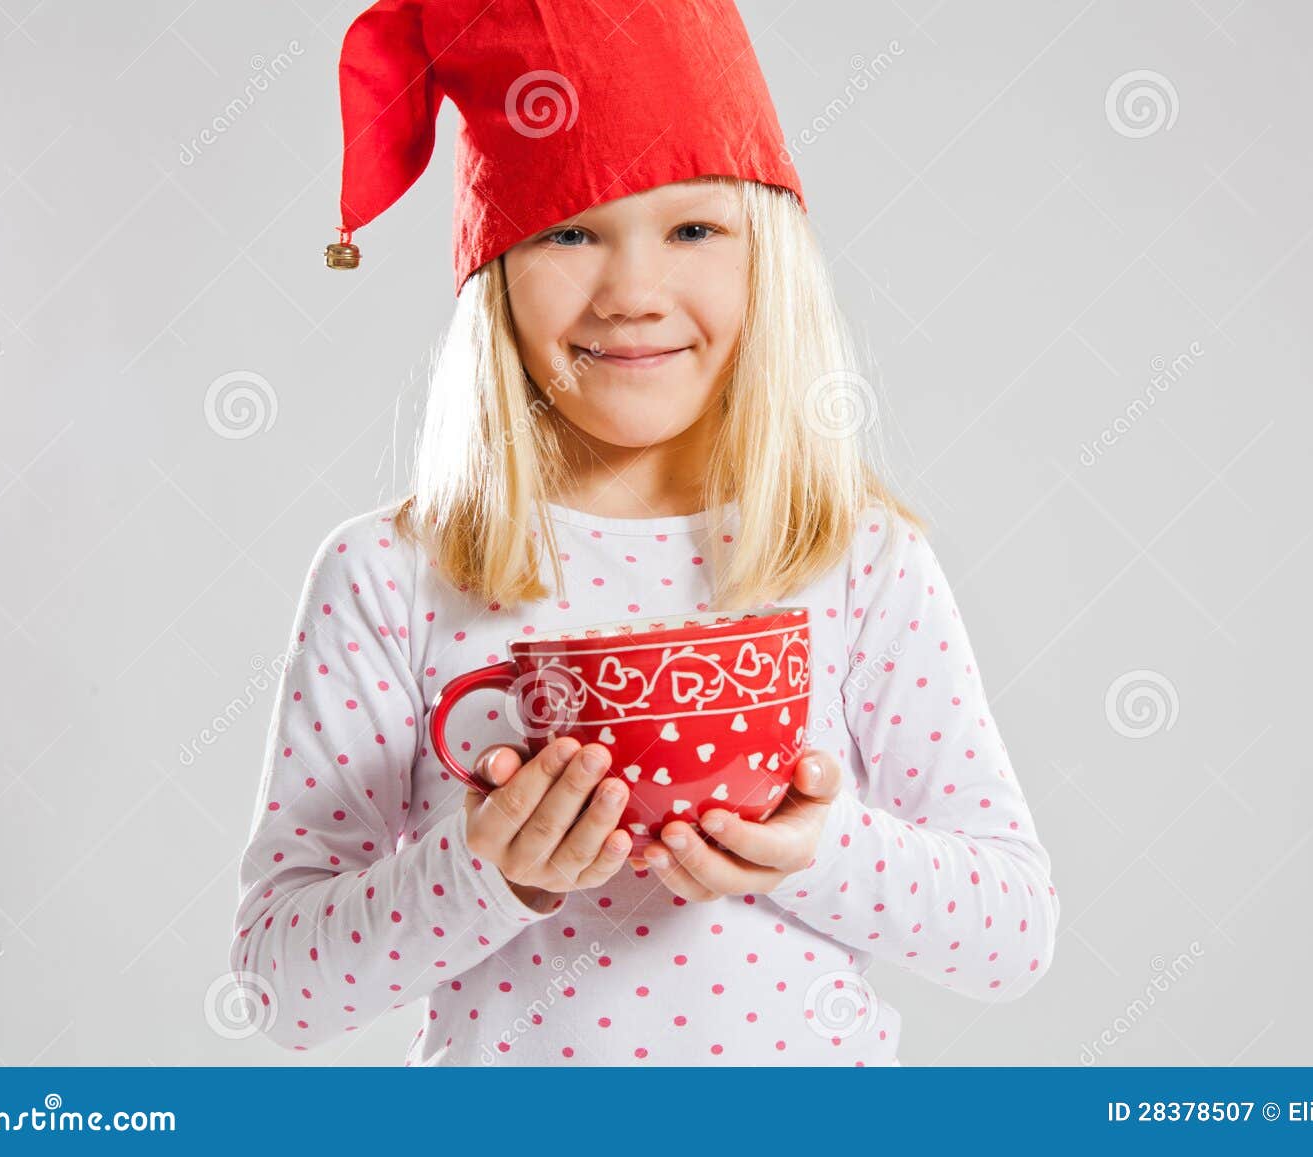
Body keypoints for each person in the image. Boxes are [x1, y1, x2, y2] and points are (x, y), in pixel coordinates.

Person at [229, 0, 1058, 1065]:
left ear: (770, 256)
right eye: (569, 231)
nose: (632, 294)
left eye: (693, 229)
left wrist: (819, 848)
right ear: (494, 274)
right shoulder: (391, 575)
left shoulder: (855, 556)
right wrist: (488, 871)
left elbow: (1012, 934)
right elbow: (277, 985)